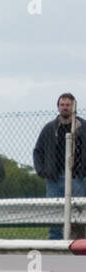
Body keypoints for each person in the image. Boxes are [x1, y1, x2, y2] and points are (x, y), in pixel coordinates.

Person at [33, 93, 86, 240]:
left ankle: (76, 249)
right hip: (54, 179)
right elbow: (38, 151)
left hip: (76, 178)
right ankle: (54, 249)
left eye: (68, 105)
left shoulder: (83, 127)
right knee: (54, 217)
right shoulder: (49, 128)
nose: (65, 108)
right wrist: (42, 171)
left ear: (74, 107)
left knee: (78, 216)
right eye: (62, 105)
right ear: (58, 107)